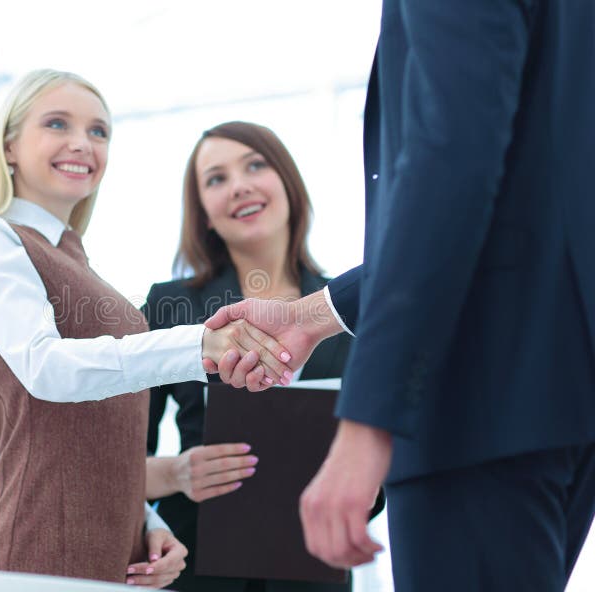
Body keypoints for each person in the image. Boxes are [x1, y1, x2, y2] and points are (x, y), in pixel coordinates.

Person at [205, 2, 595, 591]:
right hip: (557, 390)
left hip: (473, 399)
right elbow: (528, 190)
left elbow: (452, 166)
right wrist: (311, 318)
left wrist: (369, 424)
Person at [0, 70, 294, 587]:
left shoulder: (81, 268)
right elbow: (46, 369)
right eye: (58, 124)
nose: (81, 144)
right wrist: (196, 342)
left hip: (111, 561)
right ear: (10, 146)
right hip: (37, 553)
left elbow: (93, 444)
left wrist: (149, 522)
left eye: (99, 131)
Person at [144, 121, 383, 592]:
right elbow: (113, 462)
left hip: (312, 573)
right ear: (204, 214)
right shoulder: (169, 307)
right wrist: (177, 472)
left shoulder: (350, 308)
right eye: (216, 178)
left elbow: (385, 448)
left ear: (288, 184)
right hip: (195, 569)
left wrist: (369, 484)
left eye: (255, 165)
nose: (239, 186)